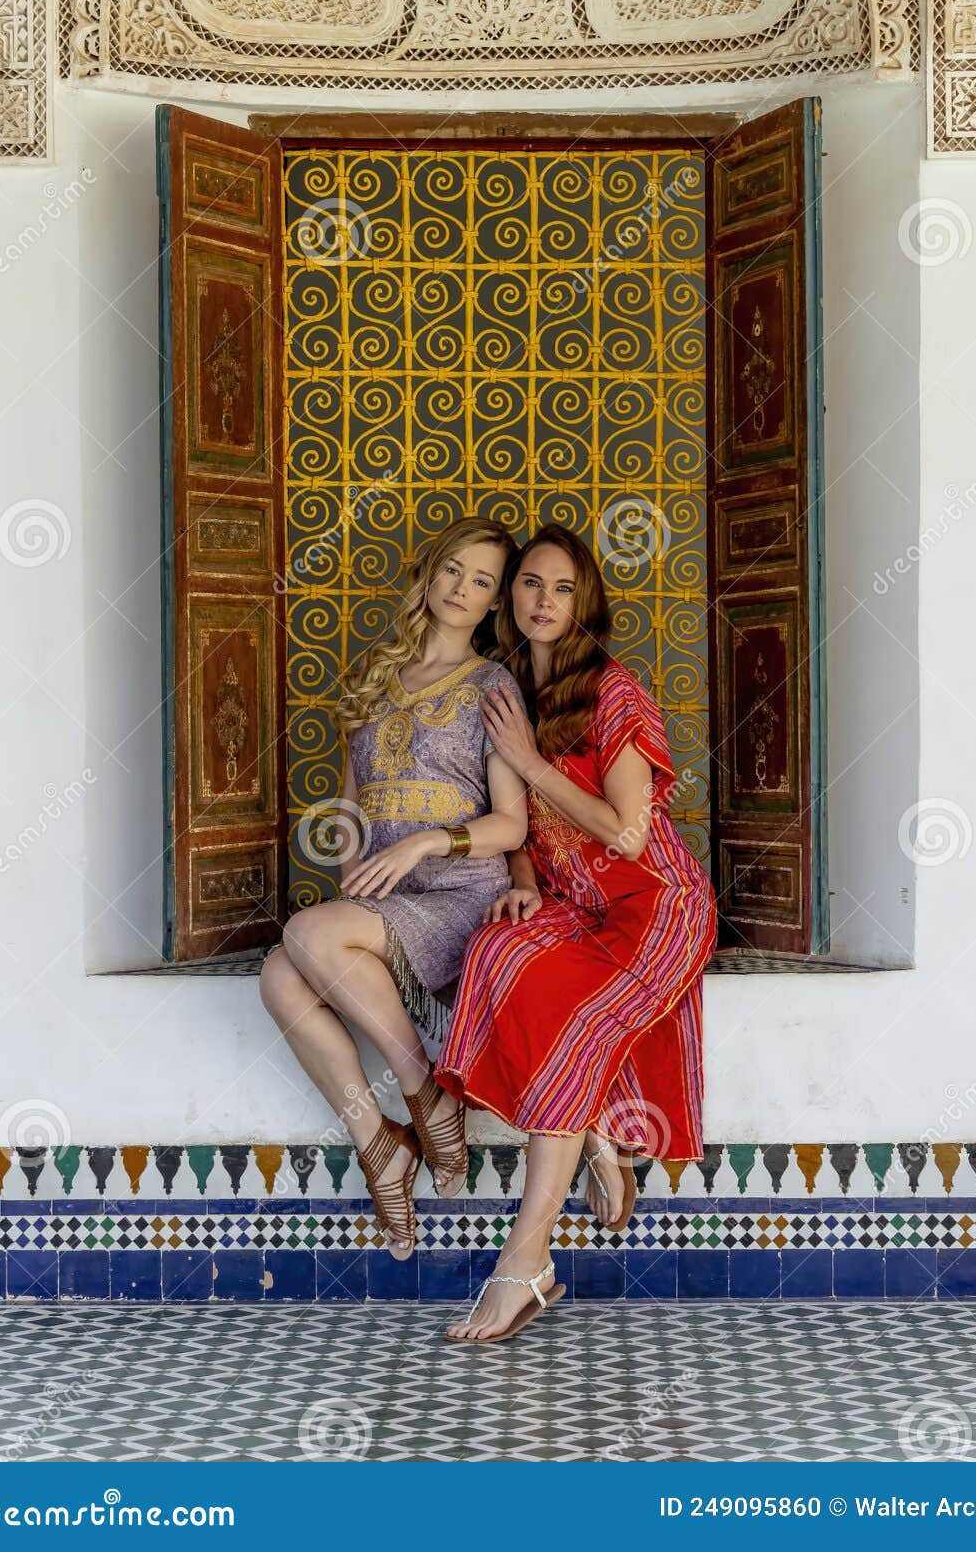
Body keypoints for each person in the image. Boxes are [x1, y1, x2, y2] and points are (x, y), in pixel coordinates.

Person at [436, 522, 718, 1342]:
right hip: (571, 904)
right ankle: (595, 1128)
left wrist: (530, 762)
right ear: (508, 597)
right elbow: (512, 821)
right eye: (530, 583)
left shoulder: (612, 691)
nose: (543, 601)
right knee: (495, 949)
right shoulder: (504, 690)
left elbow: (626, 833)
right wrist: (523, 883)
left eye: (562, 589)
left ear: (582, 604)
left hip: (656, 905)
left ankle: (524, 1262)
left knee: (570, 1024)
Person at [259, 516, 528, 1259]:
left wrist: (425, 841)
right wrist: (350, 869)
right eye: (454, 570)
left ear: (494, 603)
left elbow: (512, 823)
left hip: (461, 897)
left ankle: (425, 1093)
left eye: (482, 581)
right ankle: (379, 1142)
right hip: (385, 902)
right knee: (279, 976)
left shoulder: (494, 686)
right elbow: (352, 804)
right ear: (429, 573)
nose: (462, 588)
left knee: (306, 934)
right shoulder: (377, 676)